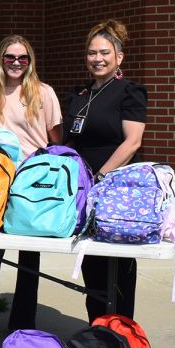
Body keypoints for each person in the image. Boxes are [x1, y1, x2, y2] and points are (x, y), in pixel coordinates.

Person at [0, 35, 63, 338]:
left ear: (30, 61)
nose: (16, 63)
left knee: (29, 255)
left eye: (22, 58)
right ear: (0, 61)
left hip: (32, 181)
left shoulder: (43, 93)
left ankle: (22, 325)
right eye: (9, 58)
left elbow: (56, 140)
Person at [64, 20, 146, 321]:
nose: (97, 59)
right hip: (83, 188)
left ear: (118, 57)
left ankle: (121, 333)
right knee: (92, 265)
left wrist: (101, 177)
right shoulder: (80, 94)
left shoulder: (129, 92)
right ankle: (97, 330)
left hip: (114, 189)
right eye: (91, 53)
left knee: (117, 264)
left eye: (104, 53)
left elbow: (132, 142)